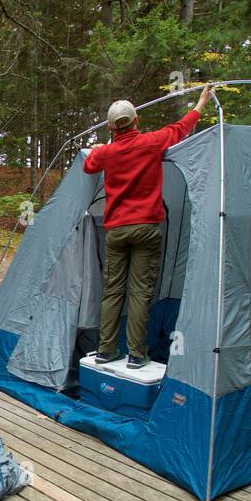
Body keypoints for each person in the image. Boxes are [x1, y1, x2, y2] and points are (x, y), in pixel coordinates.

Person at [83, 83, 213, 369]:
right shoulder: (152, 142)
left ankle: (105, 350)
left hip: (116, 231)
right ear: (136, 121)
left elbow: (89, 165)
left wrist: (104, 146)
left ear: (111, 128)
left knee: (113, 291)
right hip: (146, 229)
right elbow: (181, 128)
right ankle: (136, 354)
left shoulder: (106, 153)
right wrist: (200, 103)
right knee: (140, 292)